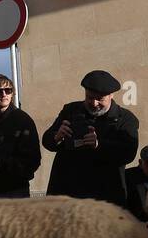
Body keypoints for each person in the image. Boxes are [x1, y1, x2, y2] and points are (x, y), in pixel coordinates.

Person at [42, 70, 138, 206]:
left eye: (100, 99)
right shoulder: (70, 110)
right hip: (67, 191)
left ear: (111, 95)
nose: (94, 103)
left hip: (104, 195)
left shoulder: (126, 119)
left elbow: (128, 153)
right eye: (89, 97)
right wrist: (57, 136)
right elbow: (47, 141)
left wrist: (99, 145)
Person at [0, 73, 41, 199]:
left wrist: (1, 164)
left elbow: (33, 160)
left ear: (12, 93)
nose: (4, 94)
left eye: (8, 90)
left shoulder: (23, 120)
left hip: (15, 191)